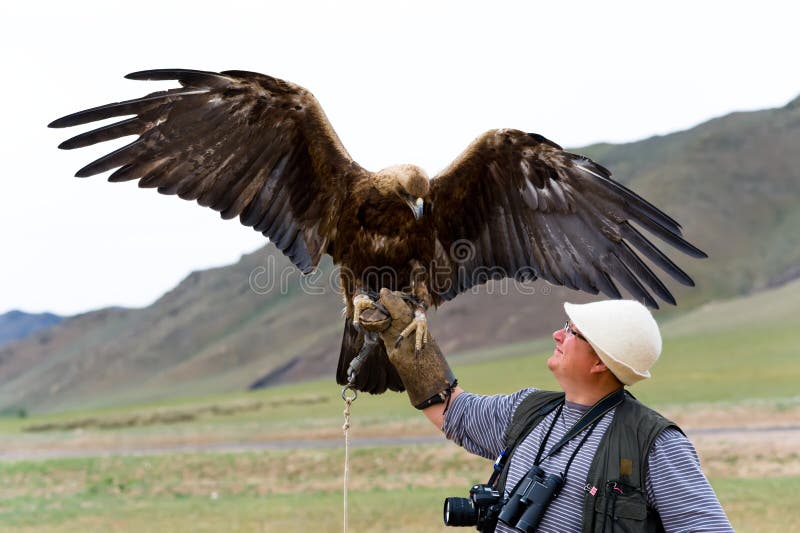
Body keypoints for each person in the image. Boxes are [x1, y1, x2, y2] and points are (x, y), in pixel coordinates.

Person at [359, 289, 734, 532]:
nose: (558, 334)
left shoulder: (652, 443)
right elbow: (451, 410)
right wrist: (411, 348)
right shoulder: (527, 410)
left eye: (572, 331)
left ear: (601, 361)